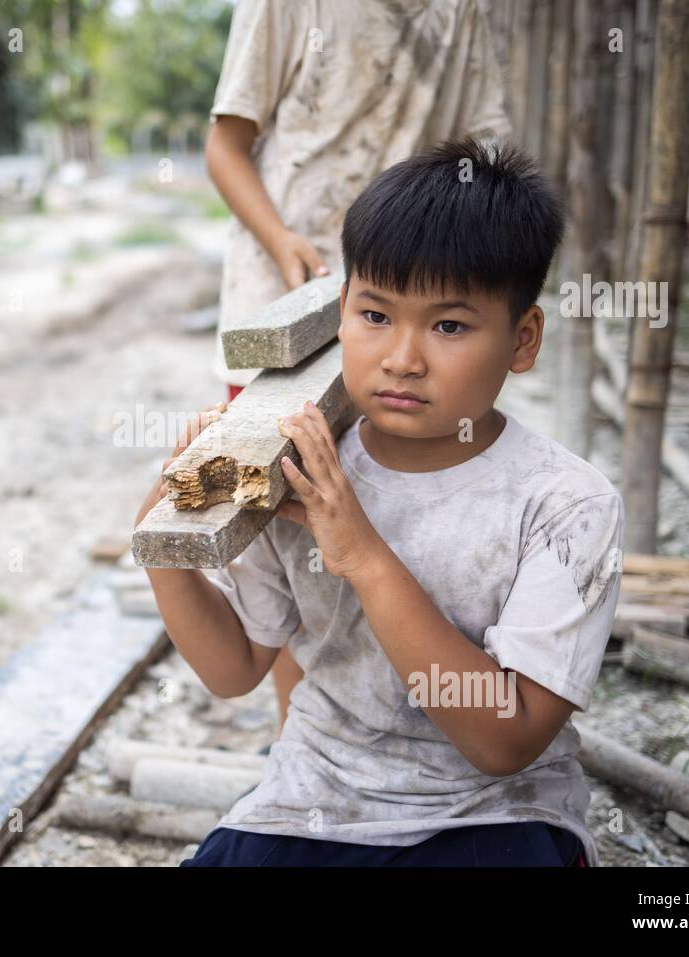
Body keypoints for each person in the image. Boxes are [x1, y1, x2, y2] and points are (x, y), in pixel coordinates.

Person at [136, 137, 623, 866]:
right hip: (315, 801)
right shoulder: (301, 464)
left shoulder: (565, 504)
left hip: (492, 817)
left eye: (449, 325)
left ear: (523, 340)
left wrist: (362, 552)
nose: (402, 356)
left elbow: (503, 740)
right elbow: (235, 666)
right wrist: (166, 524)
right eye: (375, 315)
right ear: (340, 313)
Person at [204, 0, 515, 738]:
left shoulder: (461, 10)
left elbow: (486, 147)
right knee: (286, 522)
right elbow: (225, 145)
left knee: (383, 516)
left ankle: (400, 731)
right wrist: (284, 242)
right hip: (285, 309)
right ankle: (301, 741)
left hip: (405, 306)